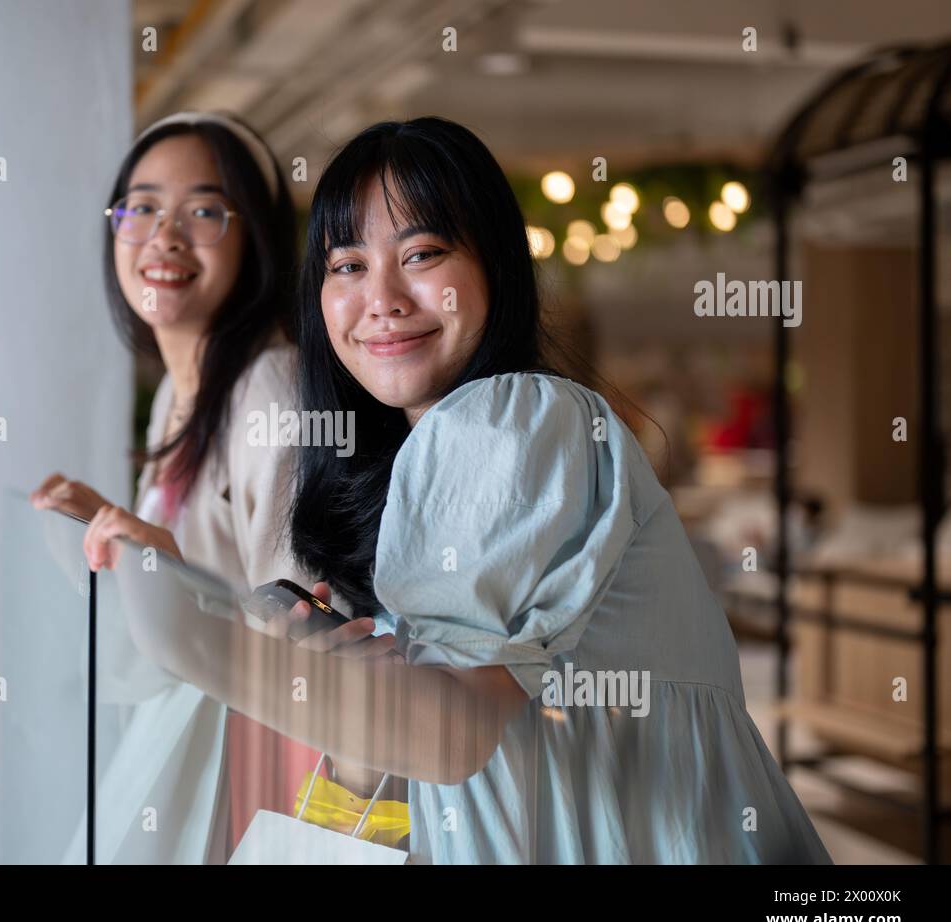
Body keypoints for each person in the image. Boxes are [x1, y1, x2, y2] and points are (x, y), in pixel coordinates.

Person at [90, 116, 833, 864]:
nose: (381, 297)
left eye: (421, 254)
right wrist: (326, 680)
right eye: (346, 266)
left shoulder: (520, 423)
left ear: (496, 267)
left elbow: (451, 742)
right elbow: (393, 779)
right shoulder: (403, 465)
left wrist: (195, 629)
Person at [33, 111, 325, 863]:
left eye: (203, 210)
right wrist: (110, 534)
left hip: (247, 777)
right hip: (180, 753)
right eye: (141, 208)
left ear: (255, 235)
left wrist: (168, 568)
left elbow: (303, 638)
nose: (164, 236)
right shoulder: (178, 394)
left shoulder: (271, 389)